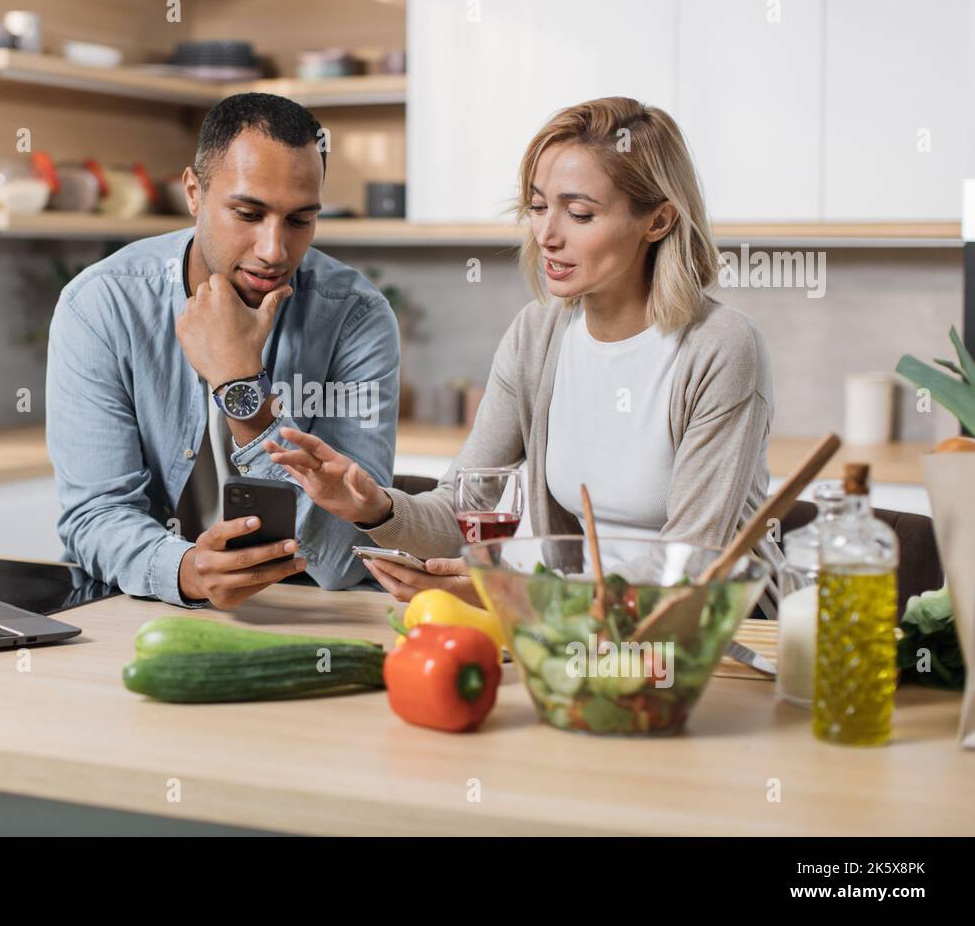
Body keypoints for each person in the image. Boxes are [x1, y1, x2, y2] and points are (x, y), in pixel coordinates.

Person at [264, 96, 781, 609]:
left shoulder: (721, 347)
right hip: (587, 629)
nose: (547, 234)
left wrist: (515, 594)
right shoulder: (538, 334)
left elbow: (689, 563)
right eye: (537, 206)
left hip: (723, 636)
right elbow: (462, 510)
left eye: (579, 213)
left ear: (659, 221)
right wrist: (373, 508)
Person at [46, 93, 399, 609]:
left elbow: (347, 555)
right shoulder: (101, 306)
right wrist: (187, 570)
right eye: (248, 213)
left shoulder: (355, 319)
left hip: (311, 611)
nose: (274, 251)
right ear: (194, 192)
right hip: (136, 606)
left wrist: (242, 391)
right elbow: (95, 516)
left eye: (300, 220)